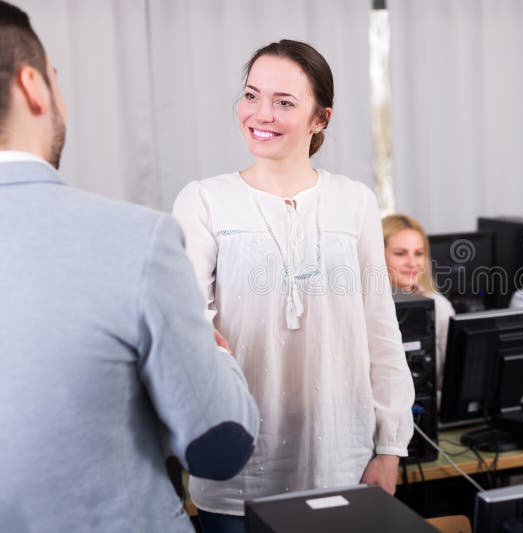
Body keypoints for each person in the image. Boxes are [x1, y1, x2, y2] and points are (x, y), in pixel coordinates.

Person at [0, 3, 259, 532]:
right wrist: (217, 357)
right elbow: (220, 448)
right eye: (57, 80)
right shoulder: (138, 239)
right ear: (33, 86)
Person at [172, 40, 414, 532]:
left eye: (284, 102)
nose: (261, 113)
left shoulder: (356, 201)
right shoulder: (203, 201)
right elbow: (183, 327)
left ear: (320, 119)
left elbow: (380, 330)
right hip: (238, 462)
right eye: (251, 95)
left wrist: (390, 445)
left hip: (341, 454)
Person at [382, 214, 455, 389]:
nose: (413, 263)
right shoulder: (362, 310)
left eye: (419, 253)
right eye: (400, 254)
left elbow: (451, 376)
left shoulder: (440, 307)